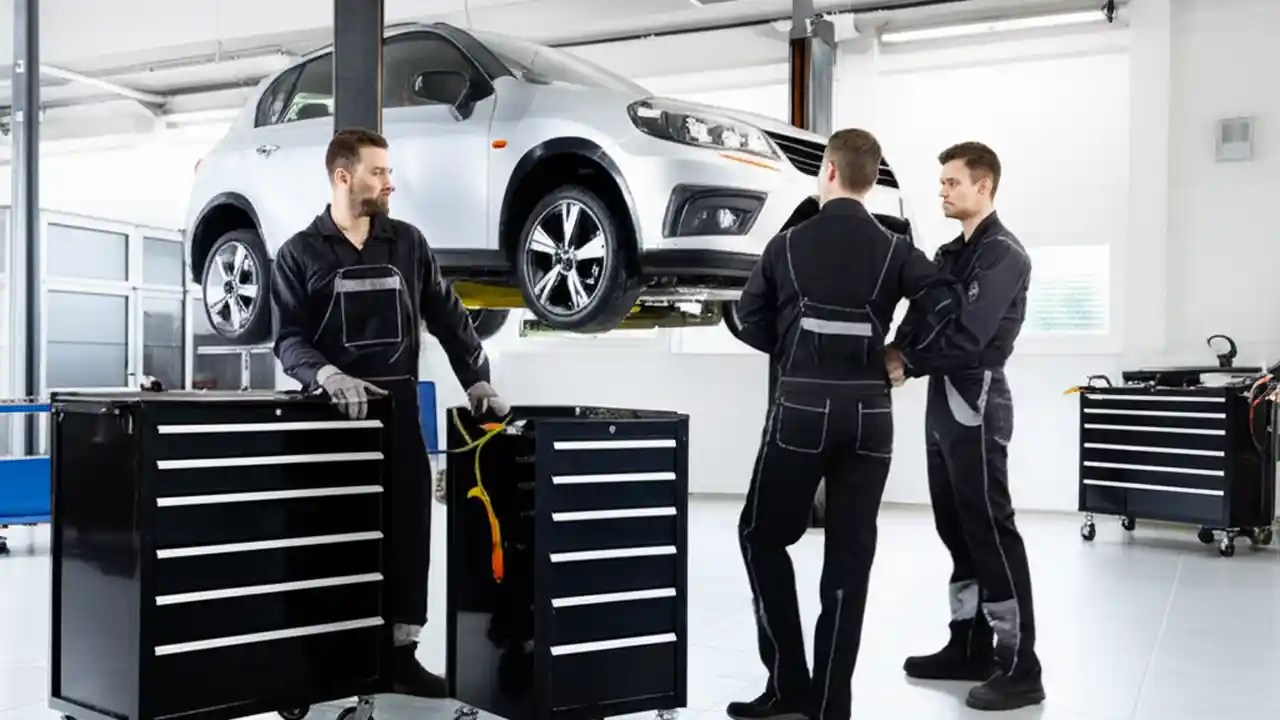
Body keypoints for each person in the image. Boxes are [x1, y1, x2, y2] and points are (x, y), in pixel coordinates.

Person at [725, 128, 963, 720]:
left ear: (828, 170)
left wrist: (793, 350)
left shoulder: (786, 245)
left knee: (761, 536)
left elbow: (745, 318)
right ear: (872, 177)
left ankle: (788, 687)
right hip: (869, 418)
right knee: (849, 559)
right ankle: (831, 705)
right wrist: (904, 355)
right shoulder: (895, 249)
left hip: (800, 411)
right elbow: (948, 303)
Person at [271, 127, 509, 698]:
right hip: (331, 420)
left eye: (388, 171)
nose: (389, 182)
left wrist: (478, 381)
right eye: (378, 172)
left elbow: (450, 318)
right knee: (333, 536)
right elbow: (287, 340)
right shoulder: (299, 253)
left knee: (407, 532)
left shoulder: (407, 243)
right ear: (343, 176)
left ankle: (401, 658)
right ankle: (332, 655)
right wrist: (325, 374)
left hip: (399, 411)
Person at [884, 141, 1042, 711]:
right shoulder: (952, 254)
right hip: (942, 404)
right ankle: (969, 643)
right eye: (943, 182)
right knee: (956, 531)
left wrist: (906, 361)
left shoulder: (1004, 255)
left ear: (985, 187)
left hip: (976, 399)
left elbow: (970, 336)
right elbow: (922, 316)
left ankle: (1021, 665)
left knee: (991, 532)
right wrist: (898, 349)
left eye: (953, 182)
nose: (944, 190)